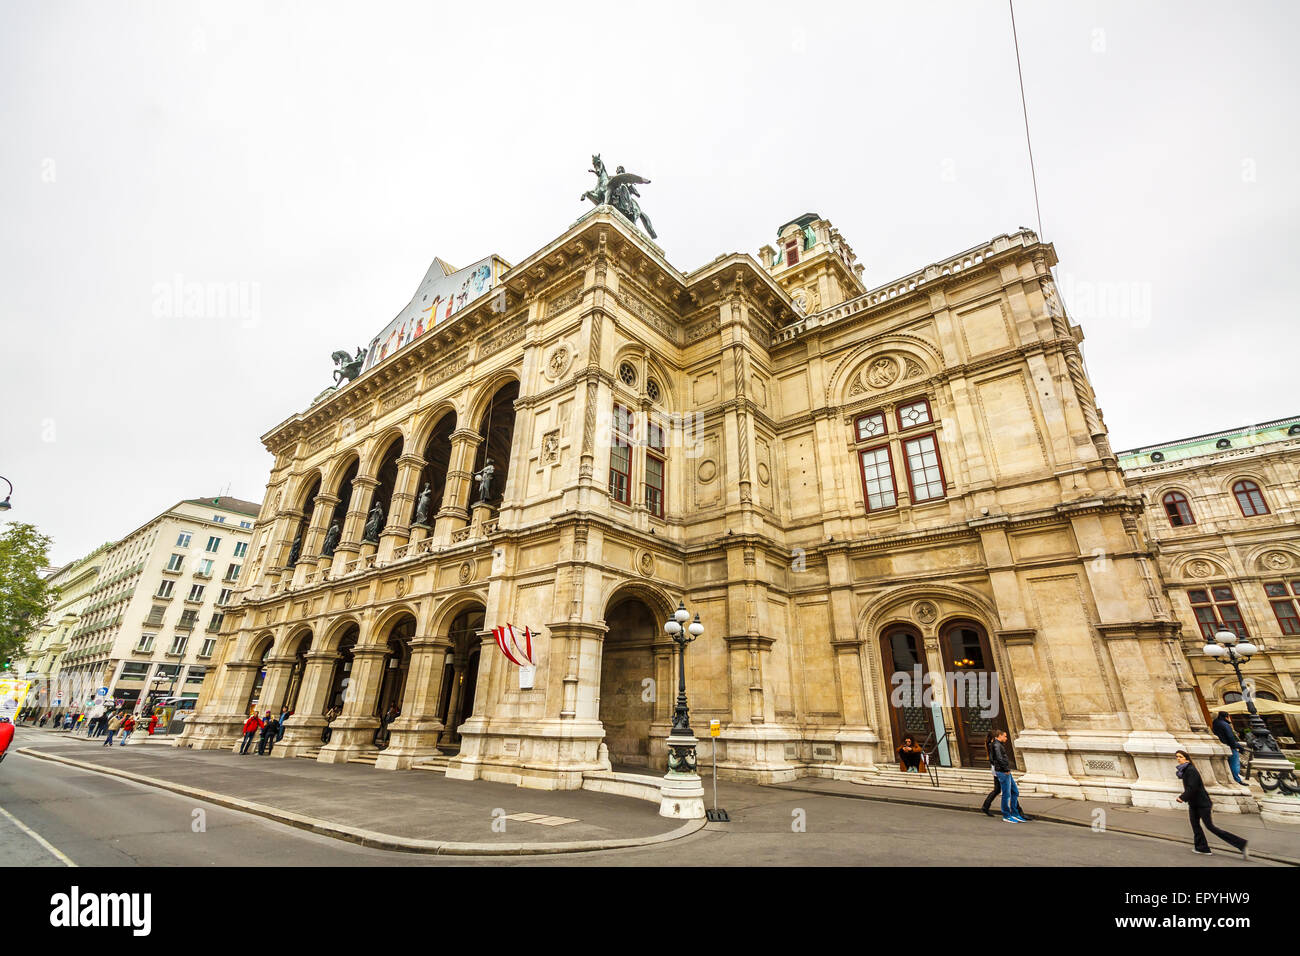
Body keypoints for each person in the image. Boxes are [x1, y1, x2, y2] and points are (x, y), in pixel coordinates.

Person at [1175, 749, 1248, 858]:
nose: (1178, 759)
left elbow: (1193, 787)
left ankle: (1241, 844)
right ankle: (1202, 848)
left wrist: (1182, 797)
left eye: (1180, 756)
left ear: (1186, 758)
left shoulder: (1190, 770)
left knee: (1210, 827)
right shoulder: (1185, 770)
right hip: (1194, 803)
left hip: (1202, 804)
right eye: (1177, 757)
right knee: (1195, 825)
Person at [991, 729, 1028, 823]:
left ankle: (1015, 814)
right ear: (999, 736)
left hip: (1005, 771)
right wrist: (1006, 769)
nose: (1006, 738)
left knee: (1015, 792)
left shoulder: (999, 745)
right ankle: (1006, 815)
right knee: (1006, 794)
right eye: (1005, 736)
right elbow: (999, 758)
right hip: (1003, 772)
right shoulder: (996, 745)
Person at [1211, 711, 1249, 786]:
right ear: (1226, 717)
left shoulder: (1215, 723)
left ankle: (1230, 778)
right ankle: (1237, 779)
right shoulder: (1225, 724)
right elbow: (1230, 737)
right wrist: (1236, 746)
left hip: (1221, 745)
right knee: (1235, 763)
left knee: (1228, 763)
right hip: (1230, 746)